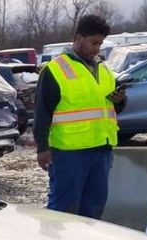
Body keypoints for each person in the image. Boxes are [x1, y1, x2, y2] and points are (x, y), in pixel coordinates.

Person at [33, 14, 127, 219]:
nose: (97, 48)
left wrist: (119, 100)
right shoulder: (55, 70)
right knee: (63, 209)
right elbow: (42, 112)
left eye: (100, 44)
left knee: (94, 209)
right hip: (69, 153)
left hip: (101, 150)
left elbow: (108, 106)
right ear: (78, 38)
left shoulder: (103, 69)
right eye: (93, 42)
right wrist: (42, 148)